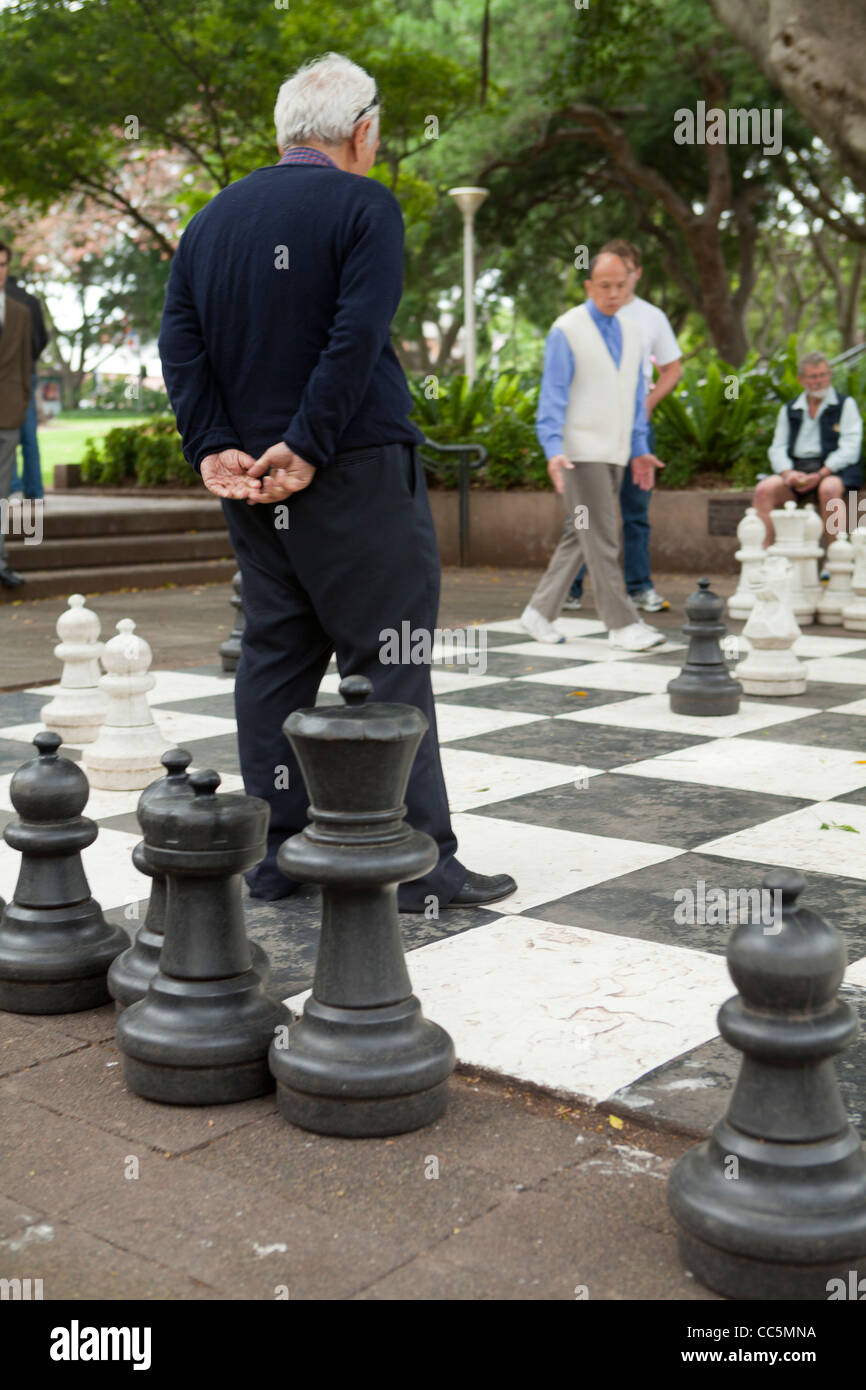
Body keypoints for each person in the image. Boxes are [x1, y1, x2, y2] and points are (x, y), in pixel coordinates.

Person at [158, 52, 516, 913]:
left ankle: (278, 856)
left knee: (274, 661)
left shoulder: (210, 221)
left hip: (251, 485)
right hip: (351, 470)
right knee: (390, 658)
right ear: (362, 132)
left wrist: (214, 446)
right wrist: (309, 445)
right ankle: (417, 861)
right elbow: (355, 338)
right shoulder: (364, 203)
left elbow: (179, 340)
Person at [520, 251, 666, 651]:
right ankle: (621, 624)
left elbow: (637, 397)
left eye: (621, 285)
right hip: (579, 455)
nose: (614, 293)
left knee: (579, 532)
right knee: (600, 532)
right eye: (605, 285)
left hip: (615, 454)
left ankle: (538, 611)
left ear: (631, 283)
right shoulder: (566, 330)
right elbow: (552, 397)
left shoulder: (634, 333)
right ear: (589, 286)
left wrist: (638, 448)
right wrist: (552, 450)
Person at [564, 237, 681, 613]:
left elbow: (671, 369)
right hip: (591, 430)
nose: (617, 283)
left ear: (636, 274)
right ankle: (571, 586)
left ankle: (638, 587)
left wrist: (644, 407)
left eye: (625, 274)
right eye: (608, 277)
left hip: (635, 430)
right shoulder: (580, 320)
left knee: (635, 511)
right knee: (583, 510)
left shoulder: (651, 317)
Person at [756, 350, 863, 545]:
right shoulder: (789, 410)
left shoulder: (845, 404)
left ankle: (837, 555)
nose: (819, 381)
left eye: (823, 375)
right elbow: (778, 447)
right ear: (801, 379)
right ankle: (765, 557)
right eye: (813, 376)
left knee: (829, 489)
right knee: (764, 489)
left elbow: (851, 447)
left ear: (829, 375)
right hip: (797, 470)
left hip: (832, 470)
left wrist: (822, 473)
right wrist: (788, 474)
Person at [0, 240, 31, 589]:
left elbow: (25, 365)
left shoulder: (20, 312)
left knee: (2, 493)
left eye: (3, 264)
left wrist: (21, 403)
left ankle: (1, 561)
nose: (0, 271)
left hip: (8, 414)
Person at [7, 266, 48, 501]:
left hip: (8, 376)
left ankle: (13, 487)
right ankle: (35, 490)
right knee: (29, 433)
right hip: (28, 372)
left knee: (7, 432)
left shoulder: (8, 302)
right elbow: (42, 338)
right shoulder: (31, 301)